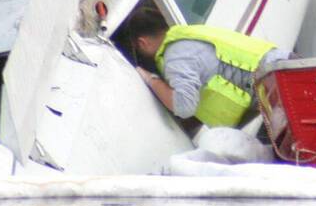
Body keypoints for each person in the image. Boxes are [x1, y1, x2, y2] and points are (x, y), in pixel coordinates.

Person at [121, 7, 291, 128]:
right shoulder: (188, 36)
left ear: (143, 42)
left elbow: (184, 106)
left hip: (279, 85)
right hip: (282, 67)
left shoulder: (175, 57)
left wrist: (149, 79)